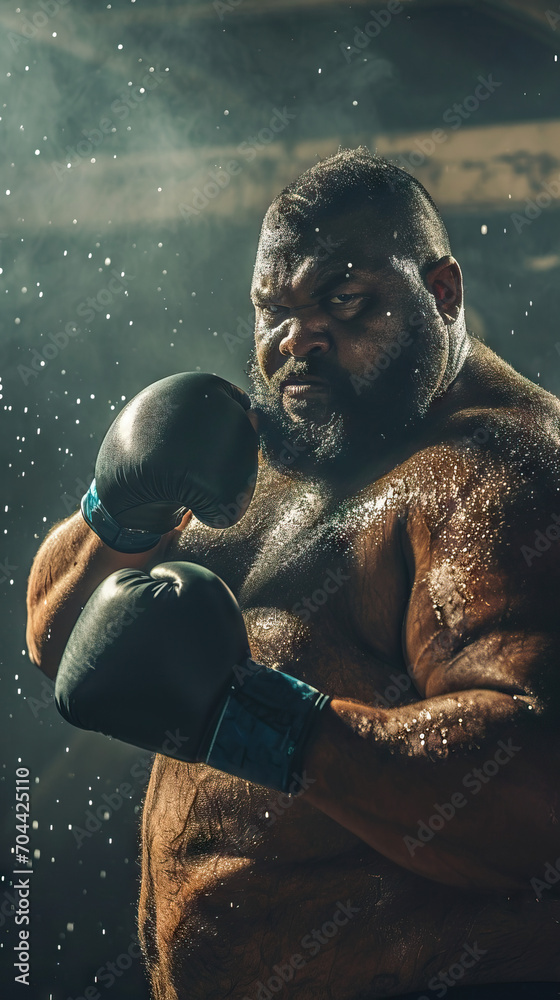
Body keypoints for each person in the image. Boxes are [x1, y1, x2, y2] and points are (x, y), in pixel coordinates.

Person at [26, 147, 560, 1000]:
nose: (295, 342)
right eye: (272, 310)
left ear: (444, 293)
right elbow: (65, 647)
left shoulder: (500, 474)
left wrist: (254, 724)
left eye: (344, 303)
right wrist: (118, 513)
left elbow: (536, 796)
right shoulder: (275, 442)